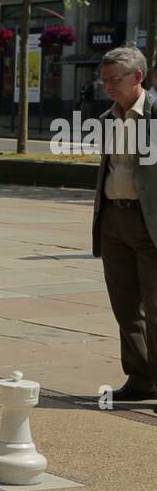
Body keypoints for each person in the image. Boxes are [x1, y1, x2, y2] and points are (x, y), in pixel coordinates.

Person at [91, 47, 157, 406]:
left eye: (114, 80)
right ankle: (141, 378)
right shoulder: (108, 117)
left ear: (138, 78)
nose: (107, 87)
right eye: (104, 81)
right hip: (114, 219)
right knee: (125, 306)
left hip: (150, 223)